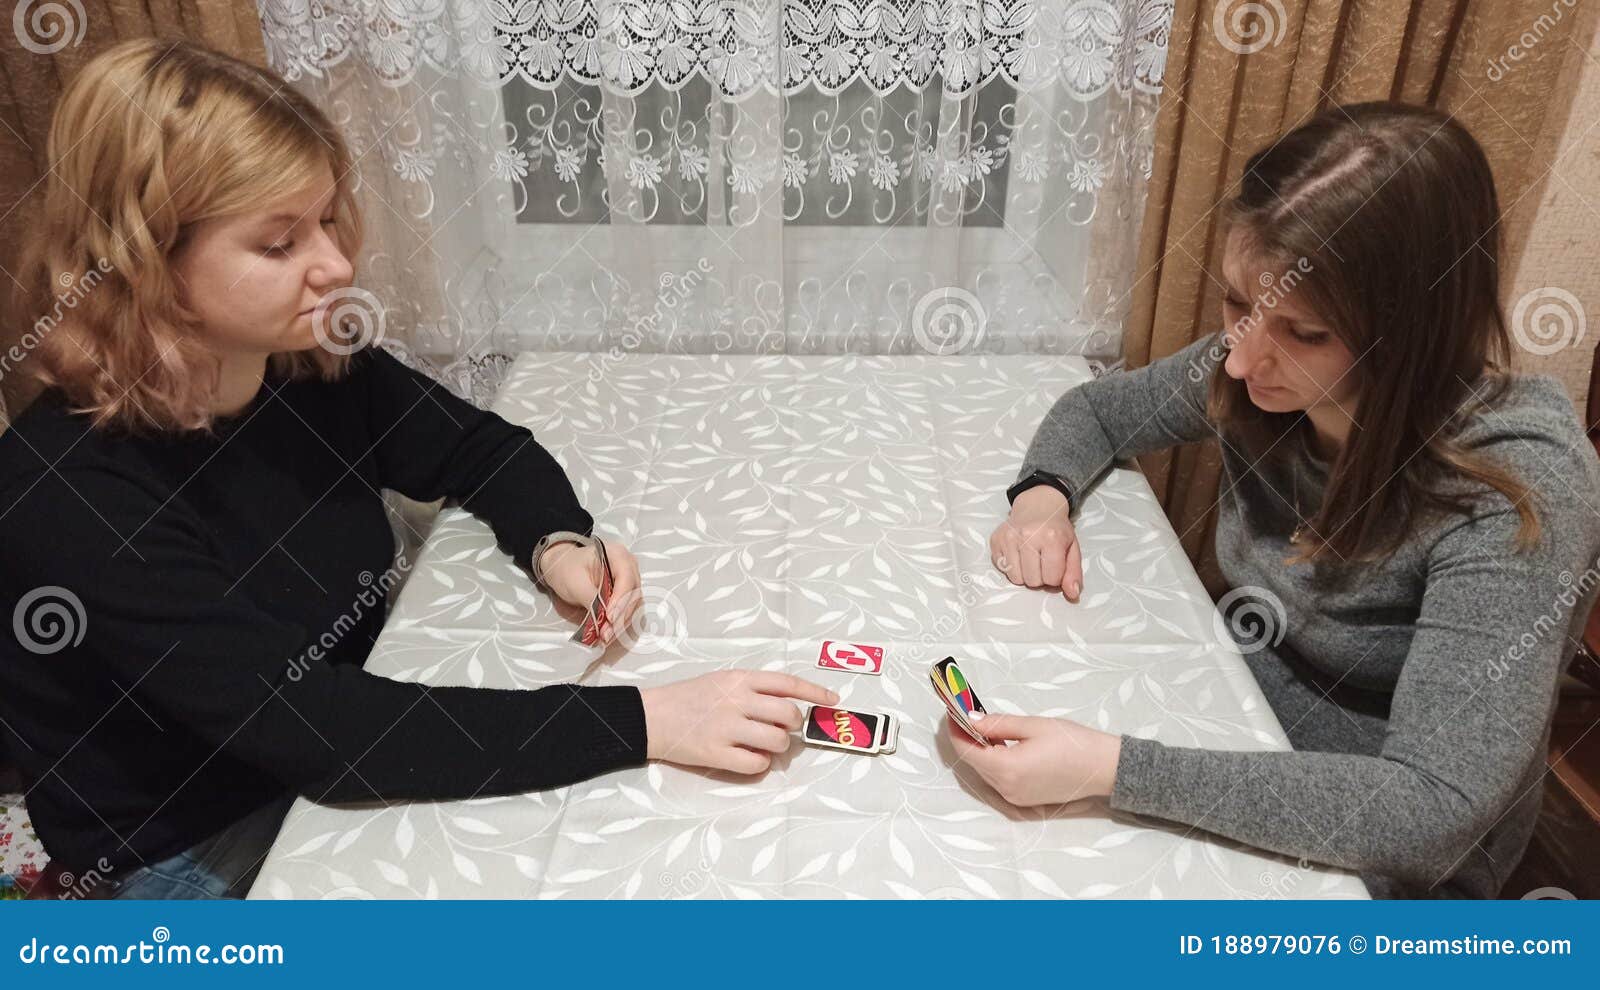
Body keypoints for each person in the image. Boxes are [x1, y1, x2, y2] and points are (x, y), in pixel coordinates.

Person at [0, 38, 834, 900]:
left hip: (345, 723)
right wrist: (650, 718)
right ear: (147, 263)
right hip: (190, 838)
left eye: (327, 221)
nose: (335, 265)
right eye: (280, 243)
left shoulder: (300, 354)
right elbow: (315, 733)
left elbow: (478, 447)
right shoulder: (65, 494)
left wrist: (556, 542)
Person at [966, 102, 1600, 898]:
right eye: (1237, 304)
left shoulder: (1515, 489)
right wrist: (1042, 499)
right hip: (1230, 711)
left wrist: (1110, 768)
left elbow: (1433, 808)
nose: (1241, 362)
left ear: (1414, 333)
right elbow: (1100, 409)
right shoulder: (1261, 362)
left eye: (1305, 334)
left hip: (1390, 843)